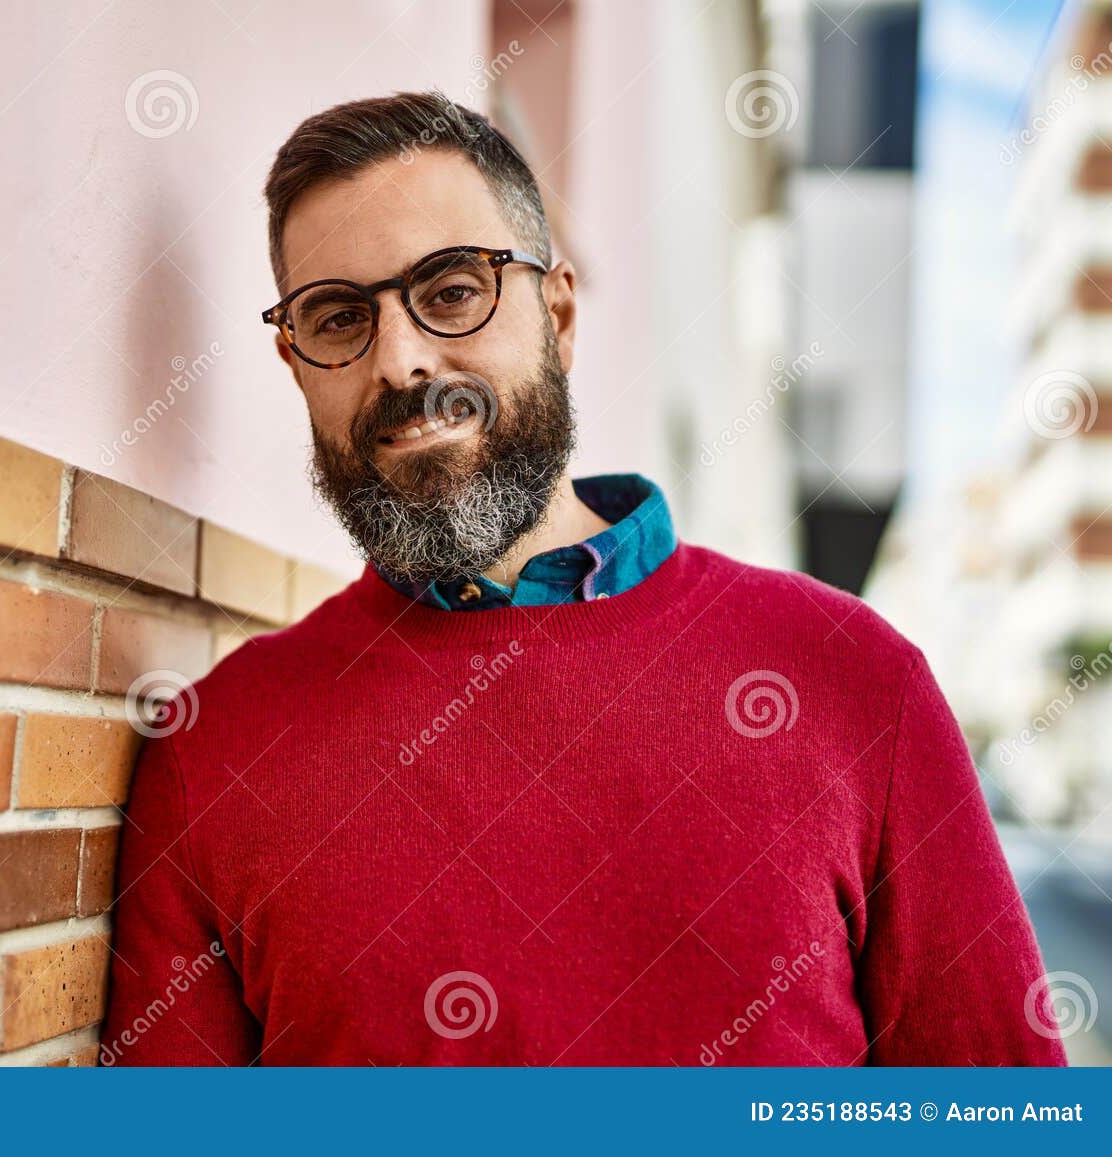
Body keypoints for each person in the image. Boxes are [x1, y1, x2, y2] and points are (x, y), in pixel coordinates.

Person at [98, 90, 1066, 1066]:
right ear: (296, 363)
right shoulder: (212, 750)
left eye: (450, 290)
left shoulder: (850, 674)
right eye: (339, 317)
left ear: (557, 313)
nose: (399, 359)